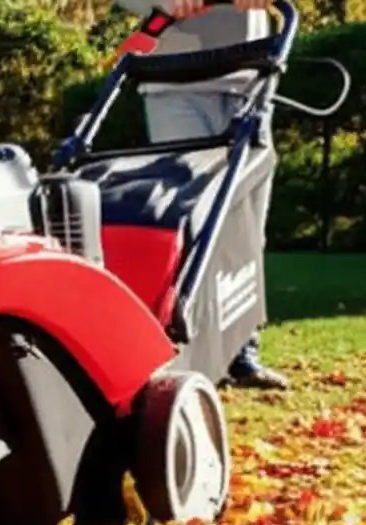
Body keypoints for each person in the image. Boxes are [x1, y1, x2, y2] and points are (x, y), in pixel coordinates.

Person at [114, 0, 291, 390]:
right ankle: (182, 344)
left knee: (247, 218)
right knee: (189, 215)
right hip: (175, 81)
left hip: (251, 74)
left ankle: (242, 350)